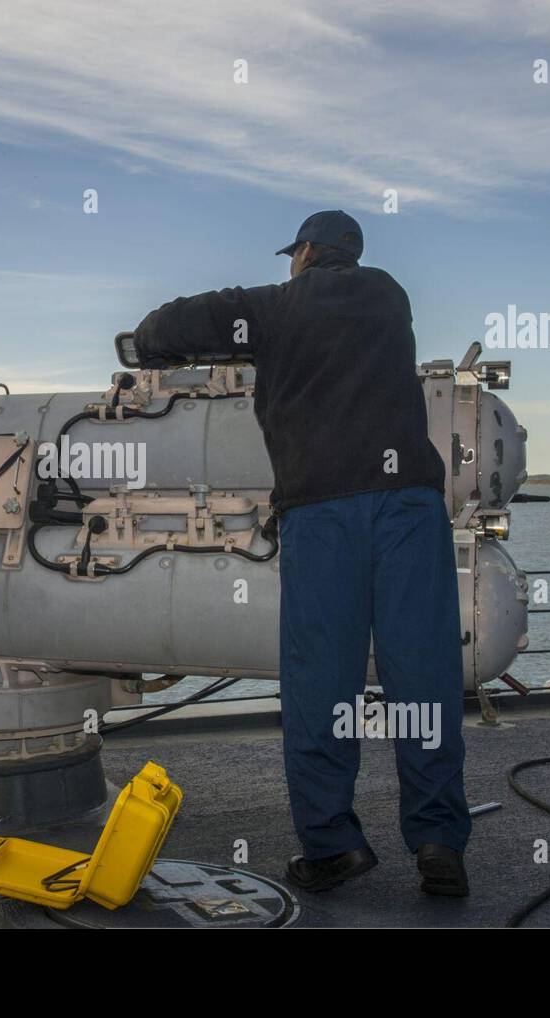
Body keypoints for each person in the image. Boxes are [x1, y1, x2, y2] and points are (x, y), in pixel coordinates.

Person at [131, 210, 471, 897]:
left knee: (323, 679)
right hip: (409, 501)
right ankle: (438, 842)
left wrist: (151, 347)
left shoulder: (271, 308)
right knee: (423, 673)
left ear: (306, 251)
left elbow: (166, 327)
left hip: (323, 512)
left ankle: (332, 845)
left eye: (295, 254)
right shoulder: (390, 296)